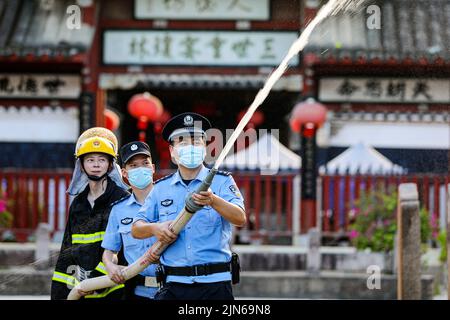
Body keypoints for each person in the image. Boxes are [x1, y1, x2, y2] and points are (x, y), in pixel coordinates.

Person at [132, 112, 246, 300]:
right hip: (175, 284)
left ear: (205, 147)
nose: (190, 147)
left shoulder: (222, 181)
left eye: (196, 141)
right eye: (183, 143)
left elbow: (240, 218)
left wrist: (213, 200)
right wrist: (155, 228)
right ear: (172, 151)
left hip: (215, 284)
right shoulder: (160, 188)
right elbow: (136, 228)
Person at [51, 128, 130, 300]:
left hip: (115, 289)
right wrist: (59, 292)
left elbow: (124, 248)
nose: (96, 165)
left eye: (102, 160)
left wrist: (95, 281)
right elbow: (67, 249)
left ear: (110, 164)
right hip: (82, 290)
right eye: (90, 160)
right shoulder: (78, 204)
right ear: (81, 165)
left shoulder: (122, 200)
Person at [101, 141, 160, 300]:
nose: (140, 169)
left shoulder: (169, 201)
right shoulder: (119, 210)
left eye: (145, 163)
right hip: (137, 292)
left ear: (152, 168)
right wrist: (110, 265)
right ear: (125, 173)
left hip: (173, 289)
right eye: (134, 166)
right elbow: (110, 251)